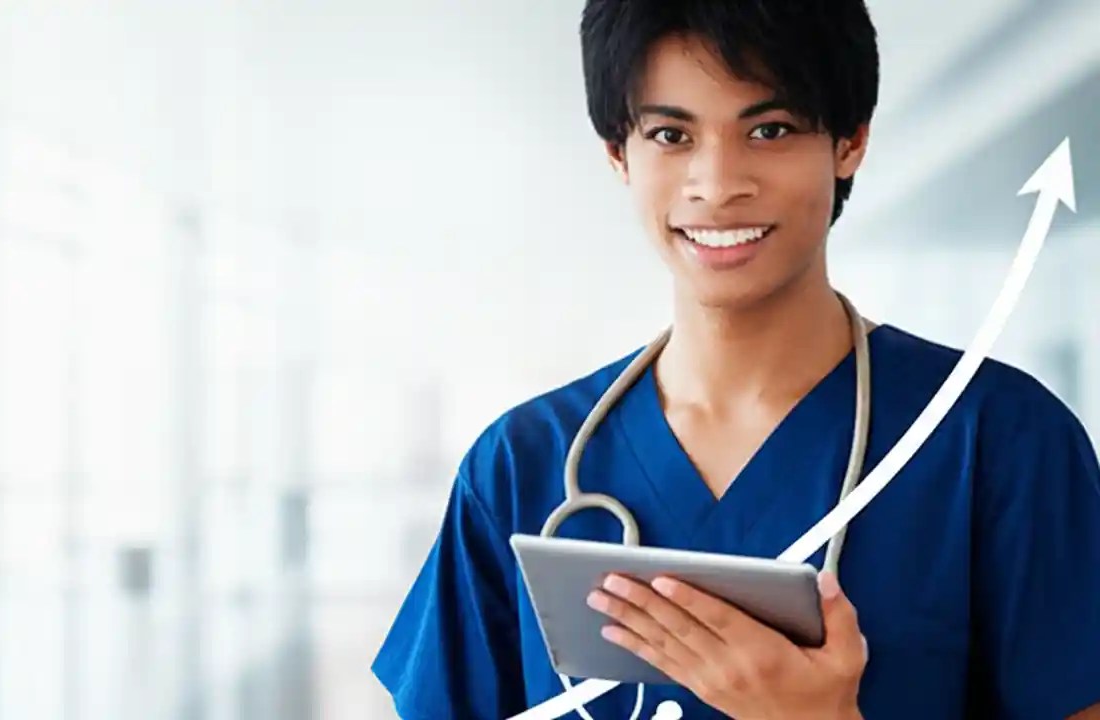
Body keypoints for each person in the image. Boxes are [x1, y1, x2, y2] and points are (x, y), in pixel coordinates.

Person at [370, 1, 1100, 717]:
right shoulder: (518, 466)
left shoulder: (999, 441)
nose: (717, 186)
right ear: (619, 154)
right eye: (670, 134)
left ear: (849, 141)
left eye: (770, 129)